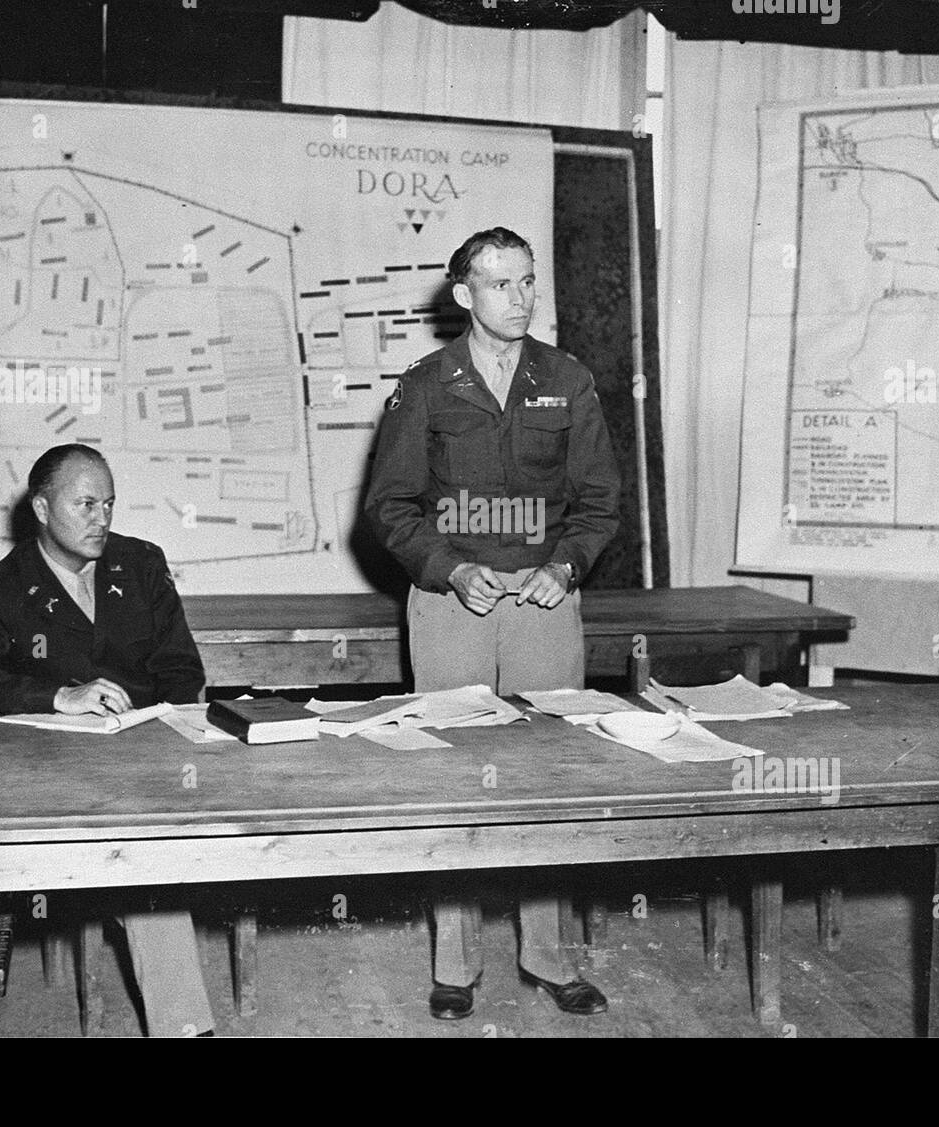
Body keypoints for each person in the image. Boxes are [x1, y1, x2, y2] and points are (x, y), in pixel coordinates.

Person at [365, 227, 622, 1020]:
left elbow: (599, 502)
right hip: (453, 603)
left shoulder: (567, 380)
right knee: (455, 778)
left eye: (528, 282)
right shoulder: (426, 384)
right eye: (502, 284)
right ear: (463, 294)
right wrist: (449, 568)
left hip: (544, 600)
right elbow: (388, 505)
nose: (520, 298)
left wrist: (565, 567)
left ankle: (550, 955)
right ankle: (455, 963)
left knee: (548, 777)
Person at [0, 443, 215, 1037]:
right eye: (86, 503)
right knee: (146, 874)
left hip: (142, 759)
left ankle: (186, 1030)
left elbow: (180, 668)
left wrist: (171, 727)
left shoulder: (141, 564)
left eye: (110, 504)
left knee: (148, 872)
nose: (103, 519)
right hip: (47, 772)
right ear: (41, 508)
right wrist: (57, 698)